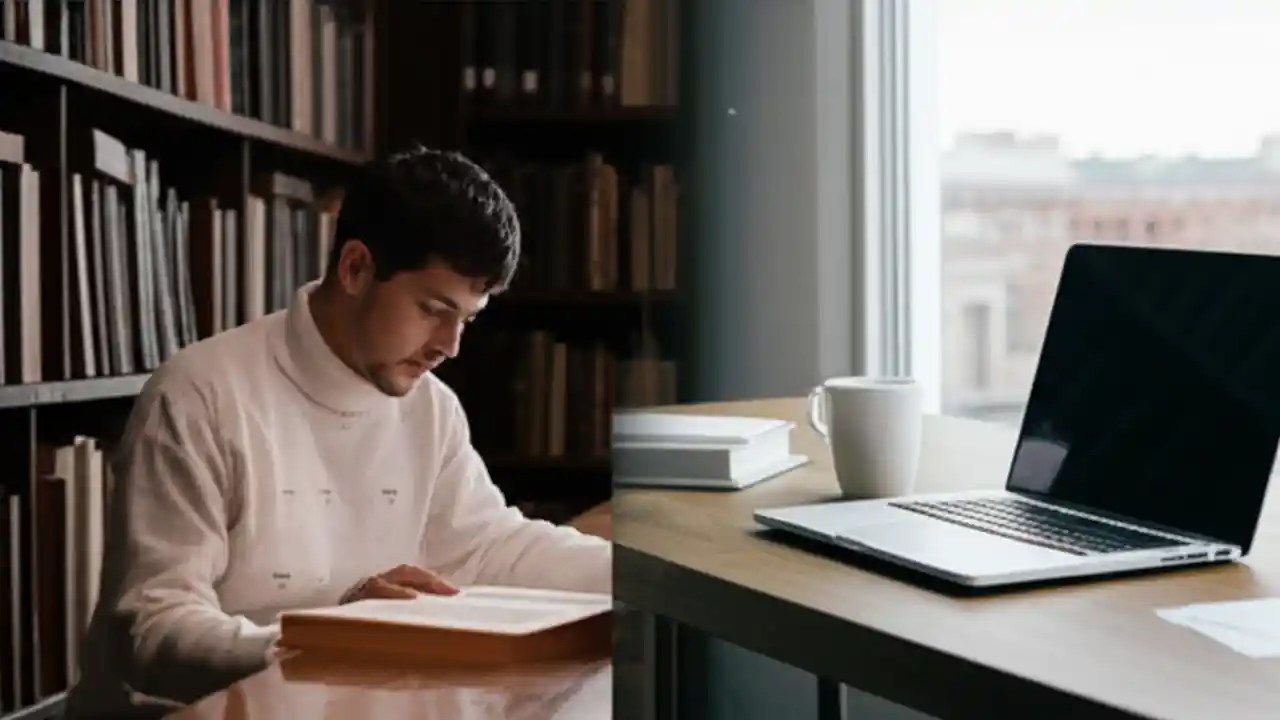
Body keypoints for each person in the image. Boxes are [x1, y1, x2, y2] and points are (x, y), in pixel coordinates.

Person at [65, 146, 611, 718]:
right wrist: (327, 639)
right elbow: (154, 627)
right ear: (354, 268)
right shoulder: (199, 394)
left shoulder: (431, 408)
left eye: (467, 320)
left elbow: (492, 546)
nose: (450, 346)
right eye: (432, 309)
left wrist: (650, 577)